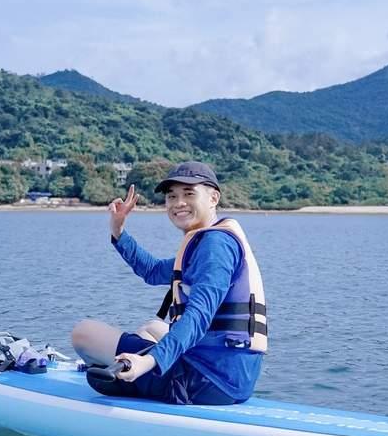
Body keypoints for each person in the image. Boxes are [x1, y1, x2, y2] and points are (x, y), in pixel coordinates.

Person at [70, 161, 267, 405]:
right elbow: (153, 271)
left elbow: (198, 316)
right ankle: (140, 368)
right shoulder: (208, 241)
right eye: (172, 196)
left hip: (207, 381)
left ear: (213, 198)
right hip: (233, 375)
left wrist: (148, 361)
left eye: (189, 194)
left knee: (84, 333)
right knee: (151, 327)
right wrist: (118, 230)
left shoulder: (215, 246)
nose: (178, 203)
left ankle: (139, 374)